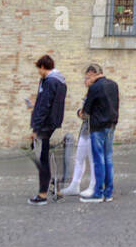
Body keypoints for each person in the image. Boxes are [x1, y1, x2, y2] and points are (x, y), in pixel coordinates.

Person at [28, 54, 66, 205]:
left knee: (42, 159)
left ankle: (43, 194)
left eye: (39, 68)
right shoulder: (59, 81)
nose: (38, 72)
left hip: (45, 125)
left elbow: (45, 106)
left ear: (43, 67)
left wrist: (36, 127)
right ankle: (53, 186)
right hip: (51, 123)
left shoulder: (49, 82)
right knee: (43, 156)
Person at [80, 64, 118, 202]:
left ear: (92, 73)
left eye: (87, 76)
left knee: (98, 160)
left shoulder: (94, 87)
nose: (87, 78)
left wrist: (80, 113)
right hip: (111, 125)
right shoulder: (114, 85)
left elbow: (86, 112)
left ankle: (98, 193)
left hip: (98, 127)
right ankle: (108, 193)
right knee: (108, 158)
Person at [63, 115, 93, 196]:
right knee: (79, 159)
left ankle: (93, 186)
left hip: (94, 130)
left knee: (93, 161)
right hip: (85, 130)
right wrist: (80, 112)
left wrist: (84, 112)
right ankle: (74, 185)